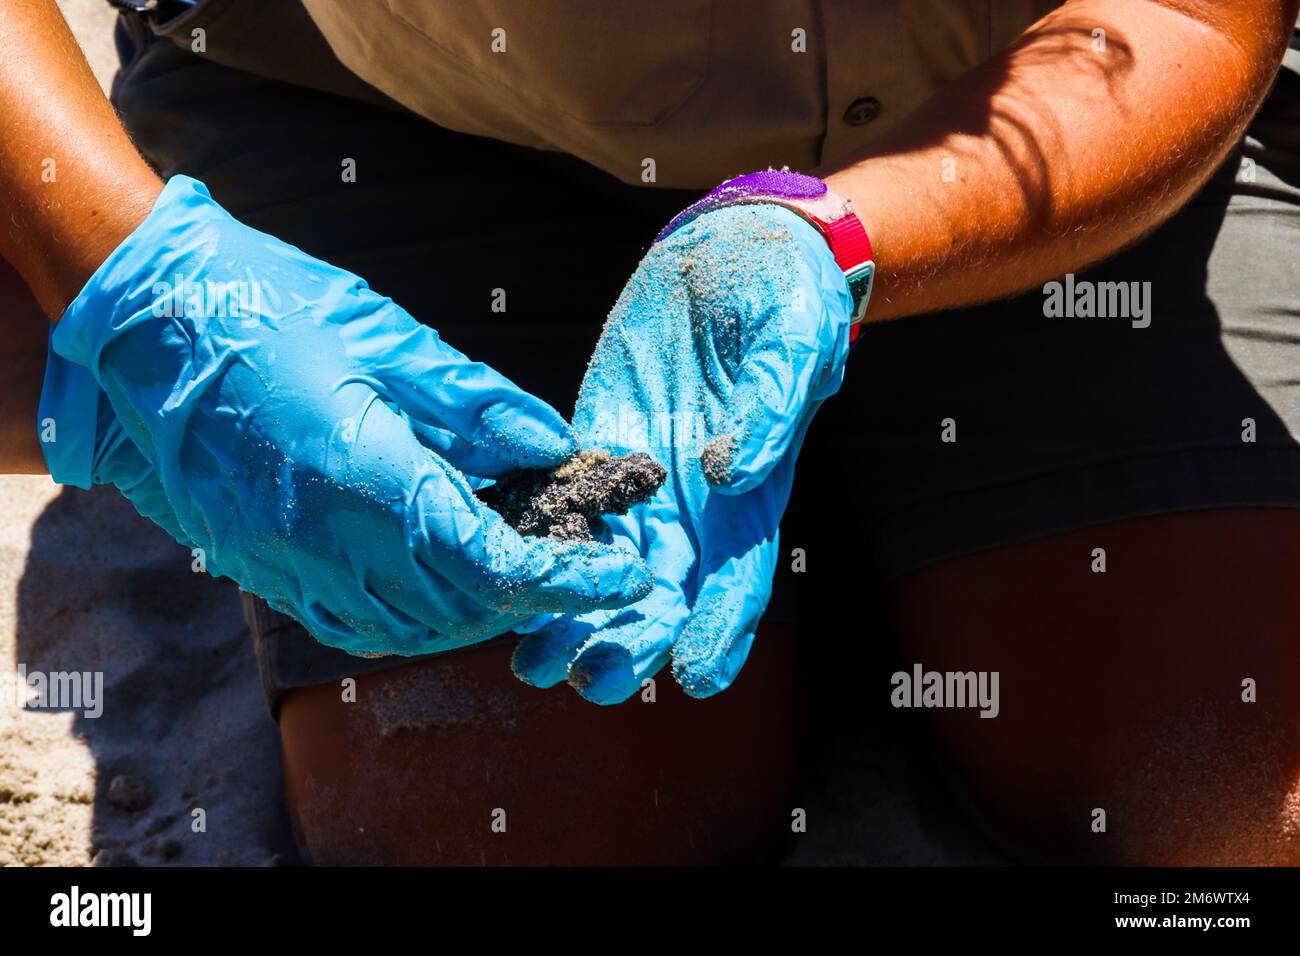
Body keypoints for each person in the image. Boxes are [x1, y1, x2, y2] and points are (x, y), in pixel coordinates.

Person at [2, 0, 1298, 864]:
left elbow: (1183, 14)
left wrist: (836, 240)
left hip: (1035, 124)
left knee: (1235, 791)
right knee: (513, 820)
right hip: (397, 104)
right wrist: (144, 286)